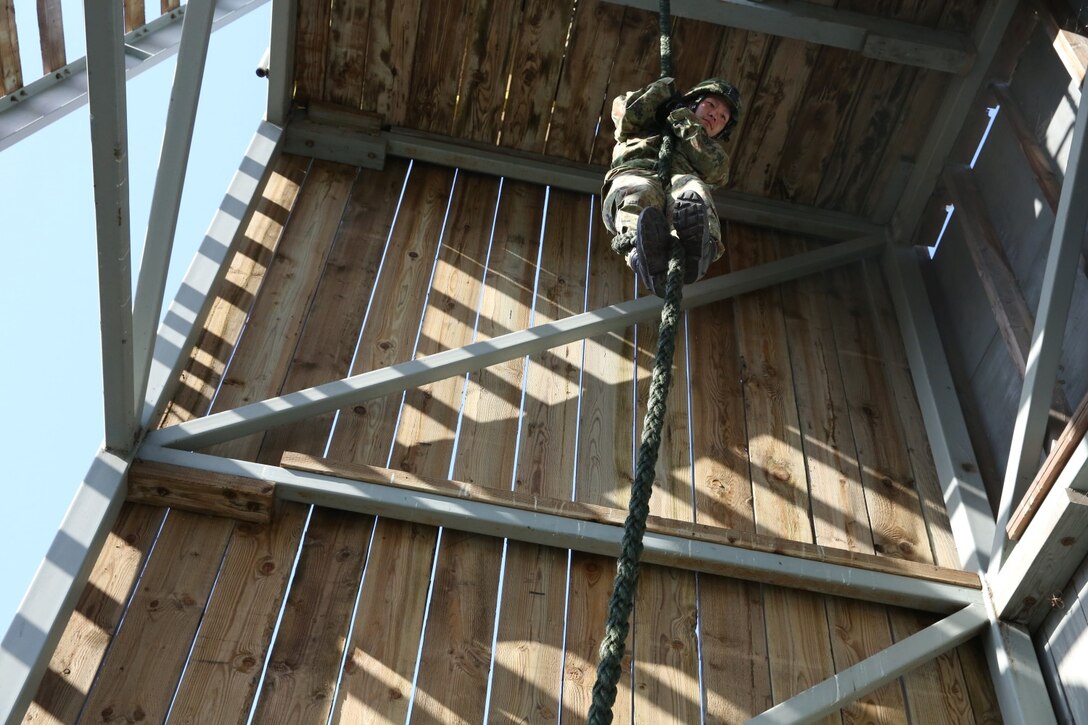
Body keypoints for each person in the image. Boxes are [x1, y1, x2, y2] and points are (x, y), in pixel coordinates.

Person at [602, 77, 741, 296]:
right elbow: (626, 112)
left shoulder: (713, 153)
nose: (715, 115)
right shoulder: (646, 120)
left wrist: (682, 119)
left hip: (679, 179)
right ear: (693, 102)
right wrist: (662, 92)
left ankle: (698, 251)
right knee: (639, 191)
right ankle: (644, 254)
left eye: (723, 117)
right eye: (711, 105)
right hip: (637, 171)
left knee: (693, 192)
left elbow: (716, 171)